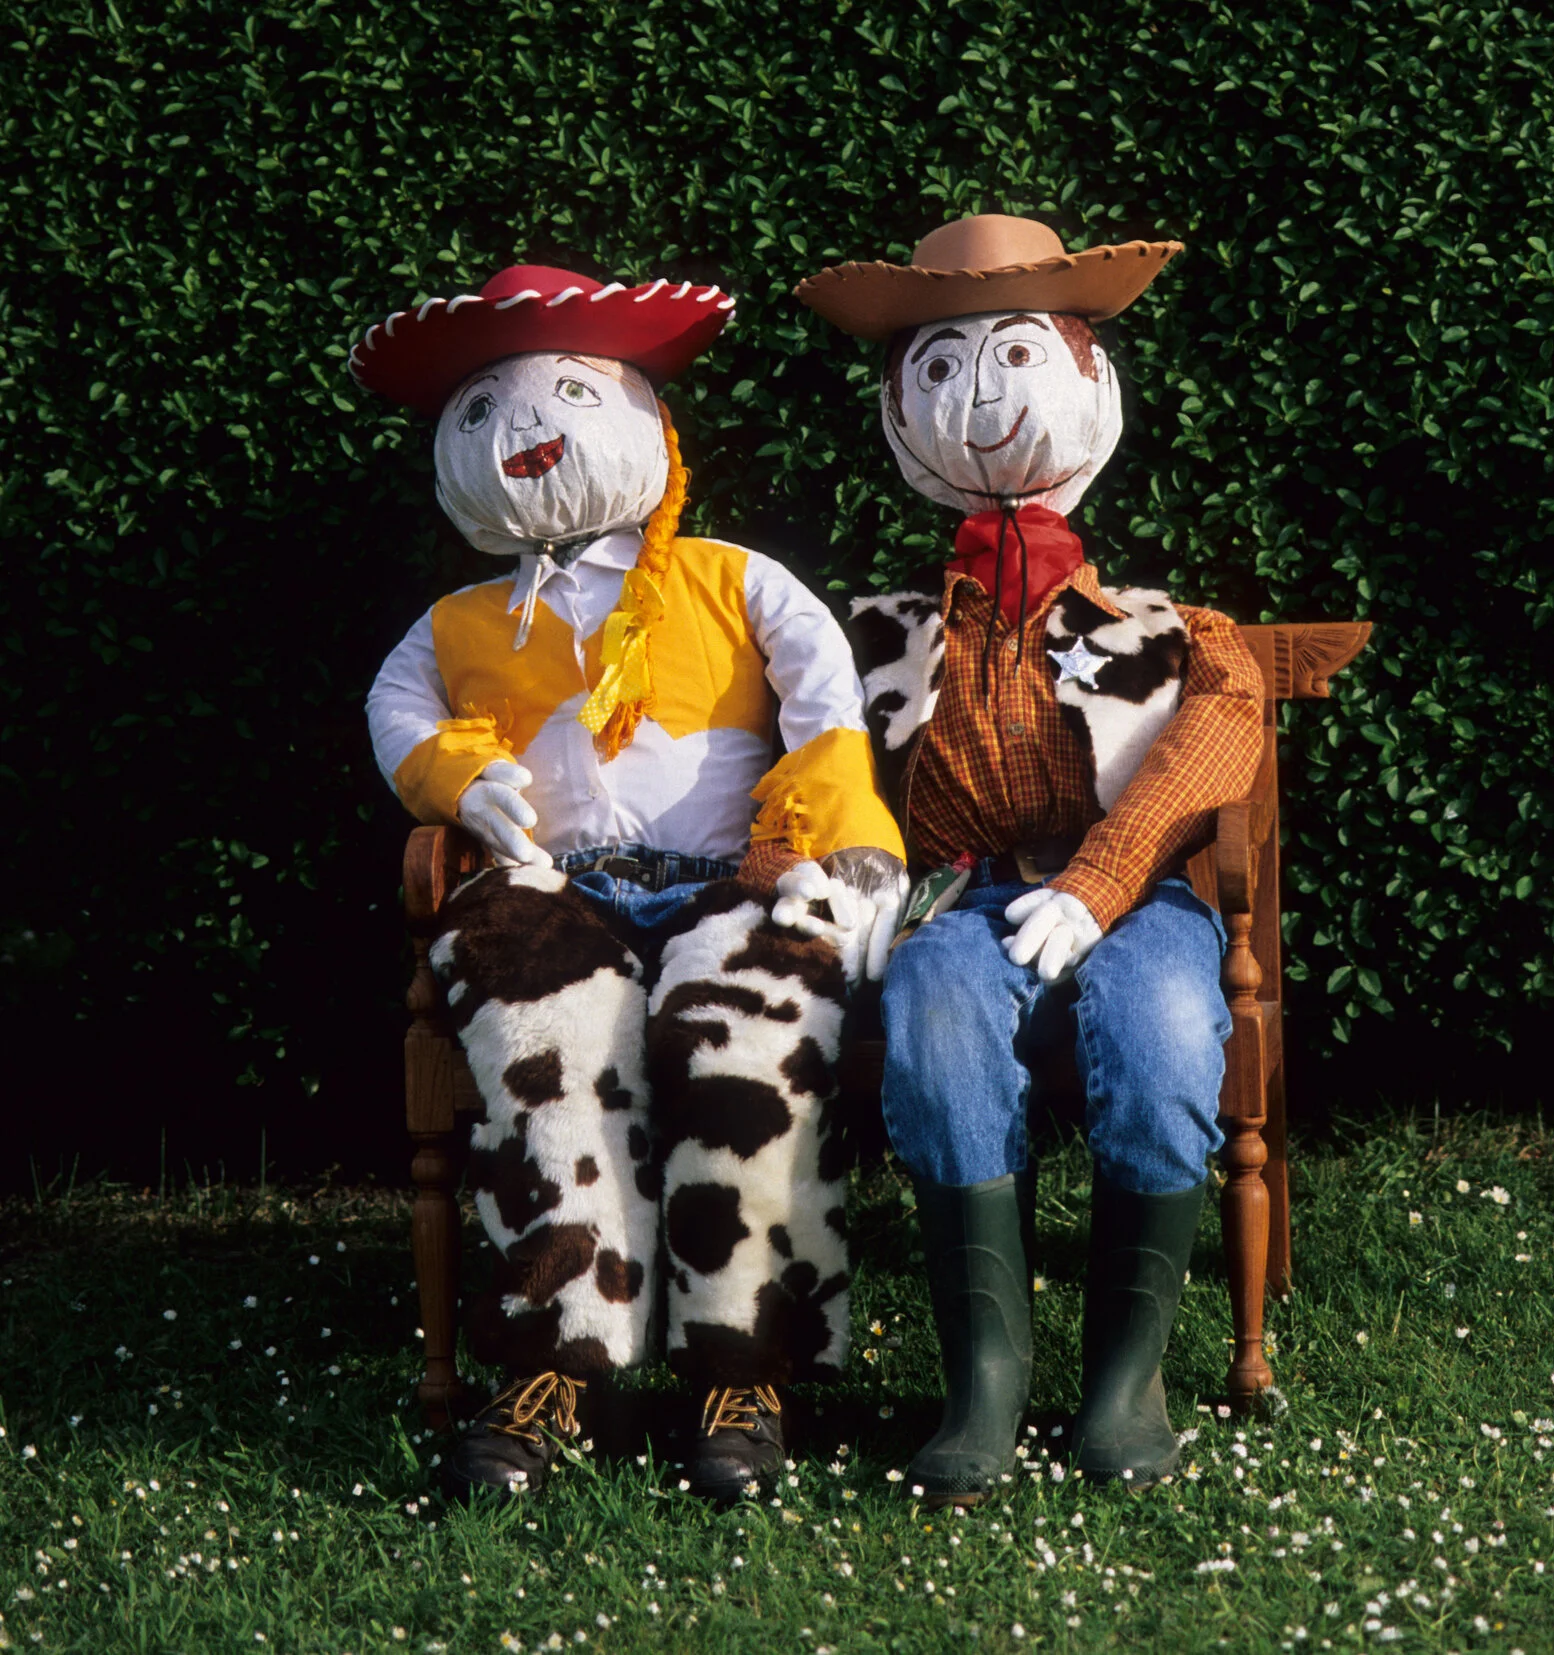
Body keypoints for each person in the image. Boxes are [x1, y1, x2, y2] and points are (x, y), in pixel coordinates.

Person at [356, 263, 906, 1500]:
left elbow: (827, 703)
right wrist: (455, 773)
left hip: (733, 878)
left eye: (561, 395)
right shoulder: (457, 623)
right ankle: (555, 1360)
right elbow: (395, 711)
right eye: (483, 412)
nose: (525, 432)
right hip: (551, 888)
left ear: (649, 421)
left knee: (752, 1040)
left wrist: (835, 842)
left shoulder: (731, 577)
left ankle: (741, 1364)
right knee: (545, 1039)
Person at [793, 215, 1264, 1501]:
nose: (979, 395)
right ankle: (984, 1378)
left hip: (1137, 897)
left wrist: (1102, 879)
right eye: (939, 368)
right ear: (901, 414)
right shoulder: (877, 634)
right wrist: (856, 872)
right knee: (937, 1008)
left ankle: (1124, 1375)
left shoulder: (1170, 627)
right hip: (965, 892)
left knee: (1169, 1023)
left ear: (1092, 384)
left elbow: (1218, 745)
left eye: (1012, 357)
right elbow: (817, 757)